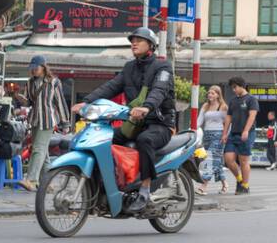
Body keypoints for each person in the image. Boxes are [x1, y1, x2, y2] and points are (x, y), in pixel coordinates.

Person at [72, 27, 175, 213]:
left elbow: (159, 90)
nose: (133, 43)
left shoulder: (163, 67)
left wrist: (147, 107)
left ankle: (144, 190)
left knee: (145, 140)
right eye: (132, 40)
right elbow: (110, 87)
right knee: (102, 138)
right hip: (134, 124)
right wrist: (86, 102)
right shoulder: (129, 68)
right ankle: (109, 185)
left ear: (150, 45)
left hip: (160, 124)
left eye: (139, 40)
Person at [21, 55, 70, 189]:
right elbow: (29, 102)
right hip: (35, 120)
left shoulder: (53, 82)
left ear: (43, 67)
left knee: (38, 149)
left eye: (36, 68)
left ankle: (31, 180)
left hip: (48, 121)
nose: (34, 71)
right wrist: (19, 98)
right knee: (43, 152)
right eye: (32, 68)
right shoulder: (30, 83)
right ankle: (46, 183)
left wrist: (65, 123)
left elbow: (60, 103)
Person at [222, 77, 258, 195]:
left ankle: (245, 186)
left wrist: (246, 131)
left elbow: (252, 116)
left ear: (242, 85)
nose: (234, 90)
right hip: (233, 134)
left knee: (243, 161)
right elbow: (228, 117)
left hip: (247, 133)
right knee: (228, 159)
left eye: (235, 87)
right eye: (232, 87)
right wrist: (225, 133)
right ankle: (239, 179)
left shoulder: (251, 99)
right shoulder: (232, 101)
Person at [196, 86, 229, 195]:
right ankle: (225, 183)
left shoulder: (223, 107)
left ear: (218, 95)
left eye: (213, 93)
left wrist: (225, 135)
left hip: (218, 135)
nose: (210, 95)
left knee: (209, 160)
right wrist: (193, 130)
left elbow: (228, 123)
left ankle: (204, 185)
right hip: (207, 135)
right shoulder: (205, 106)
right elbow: (199, 121)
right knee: (216, 161)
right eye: (209, 93)